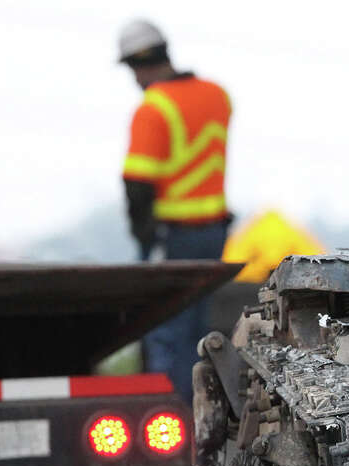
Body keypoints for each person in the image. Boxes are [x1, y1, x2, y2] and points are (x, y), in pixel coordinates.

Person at [118, 19, 232, 402]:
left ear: (136, 65)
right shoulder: (217, 95)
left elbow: (138, 183)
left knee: (162, 328)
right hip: (214, 232)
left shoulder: (153, 109)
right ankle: (202, 420)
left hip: (172, 236)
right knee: (197, 330)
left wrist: (142, 235)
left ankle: (170, 422)